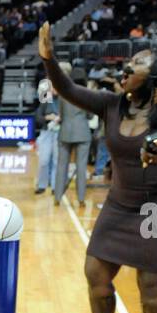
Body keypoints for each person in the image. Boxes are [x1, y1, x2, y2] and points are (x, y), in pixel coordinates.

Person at [39, 23, 157, 313]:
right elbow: (67, 89)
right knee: (95, 272)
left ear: (155, 75)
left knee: (151, 287)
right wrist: (49, 59)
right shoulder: (111, 105)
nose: (126, 66)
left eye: (136, 62)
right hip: (120, 206)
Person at [53, 64, 92, 206]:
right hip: (82, 132)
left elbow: (61, 115)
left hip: (65, 132)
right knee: (81, 167)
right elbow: (90, 114)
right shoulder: (87, 93)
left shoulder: (64, 93)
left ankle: (57, 198)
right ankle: (81, 199)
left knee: (61, 165)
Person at [34, 79, 59, 195]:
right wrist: (47, 118)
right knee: (44, 160)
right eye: (52, 87)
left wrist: (59, 118)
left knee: (56, 160)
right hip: (46, 131)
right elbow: (37, 117)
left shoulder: (65, 100)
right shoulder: (45, 99)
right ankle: (42, 184)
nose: (54, 89)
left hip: (59, 132)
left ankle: (55, 186)